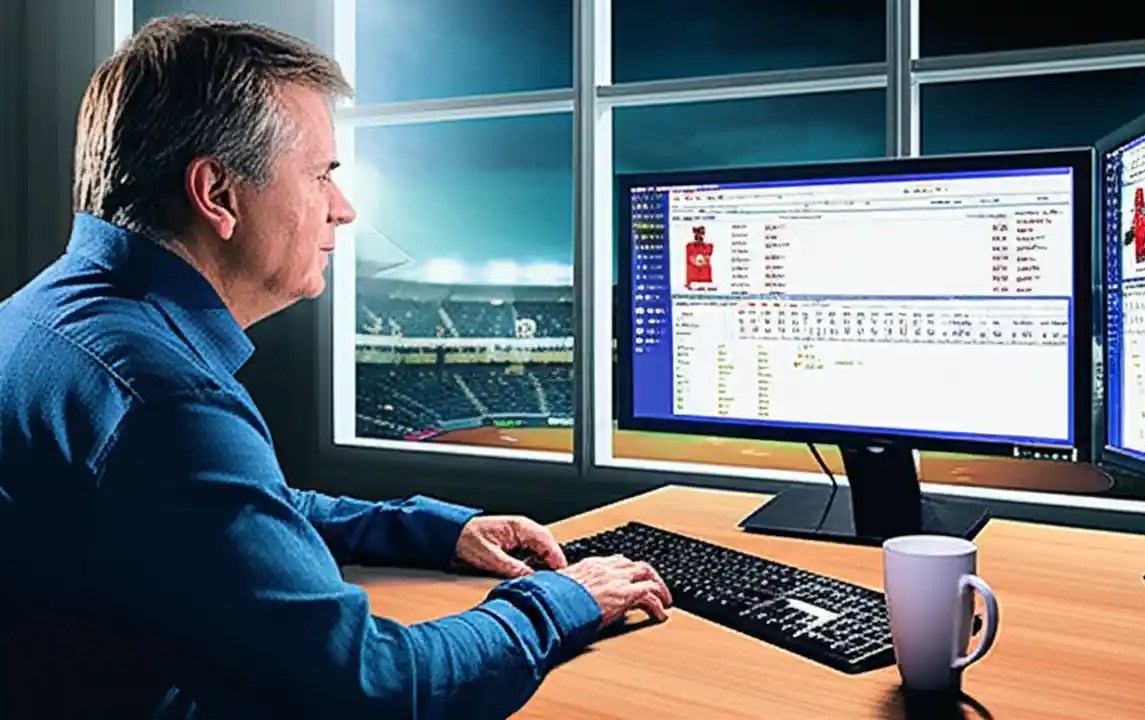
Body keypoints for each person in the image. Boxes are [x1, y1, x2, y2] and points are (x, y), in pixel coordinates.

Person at [0, 15, 671, 720]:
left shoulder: (34, 320)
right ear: (218, 195)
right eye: (321, 174)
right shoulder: (163, 398)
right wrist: (561, 599)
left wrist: (432, 531)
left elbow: (230, 511)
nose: (343, 210)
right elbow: (372, 690)